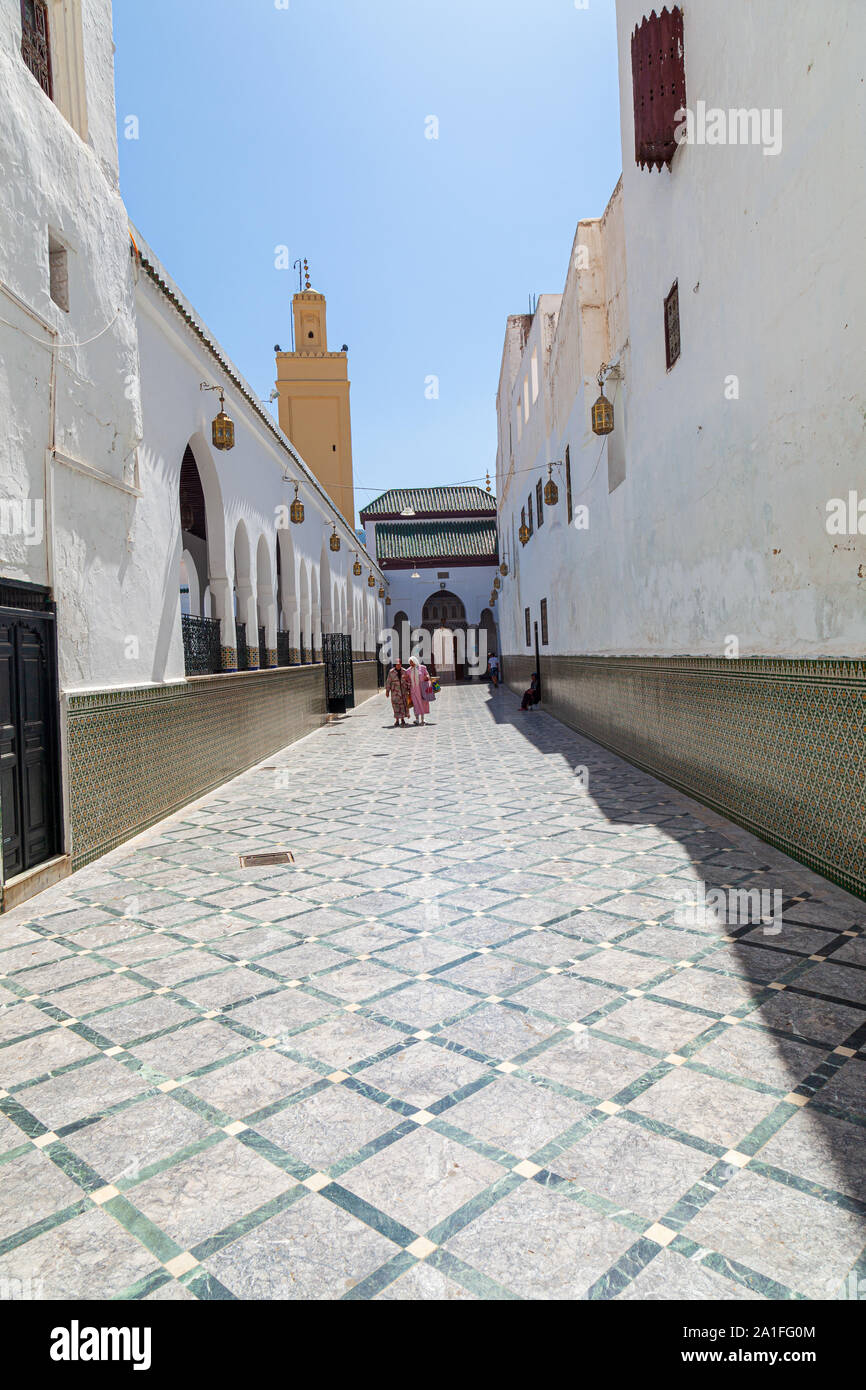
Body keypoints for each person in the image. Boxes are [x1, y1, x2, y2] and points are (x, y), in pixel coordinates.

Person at [407, 654, 433, 726]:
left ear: (415, 661)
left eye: (412, 662)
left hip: (422, 690)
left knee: (423, 703)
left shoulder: (422, 668)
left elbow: (427, 675)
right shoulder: (408, 670)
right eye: (410, 662)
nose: (411, 664)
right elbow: (408, 680)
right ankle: (417, 719)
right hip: (413, 691)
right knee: (416, 704)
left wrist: (426, 677)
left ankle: (423, 718)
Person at [385, 659, 410, 727]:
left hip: (403, 692)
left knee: (402, 706)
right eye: (396, 664)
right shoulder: (391, 672)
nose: (398, 665)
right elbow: (388, 681)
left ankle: (402, 719)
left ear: (401, 664)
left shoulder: (404, 671)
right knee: (395, 706)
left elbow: (408, 680)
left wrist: (408, 688)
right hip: (395, 692)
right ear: (395, 665)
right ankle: (397, 720)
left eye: (399, 664)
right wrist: (387, 691)